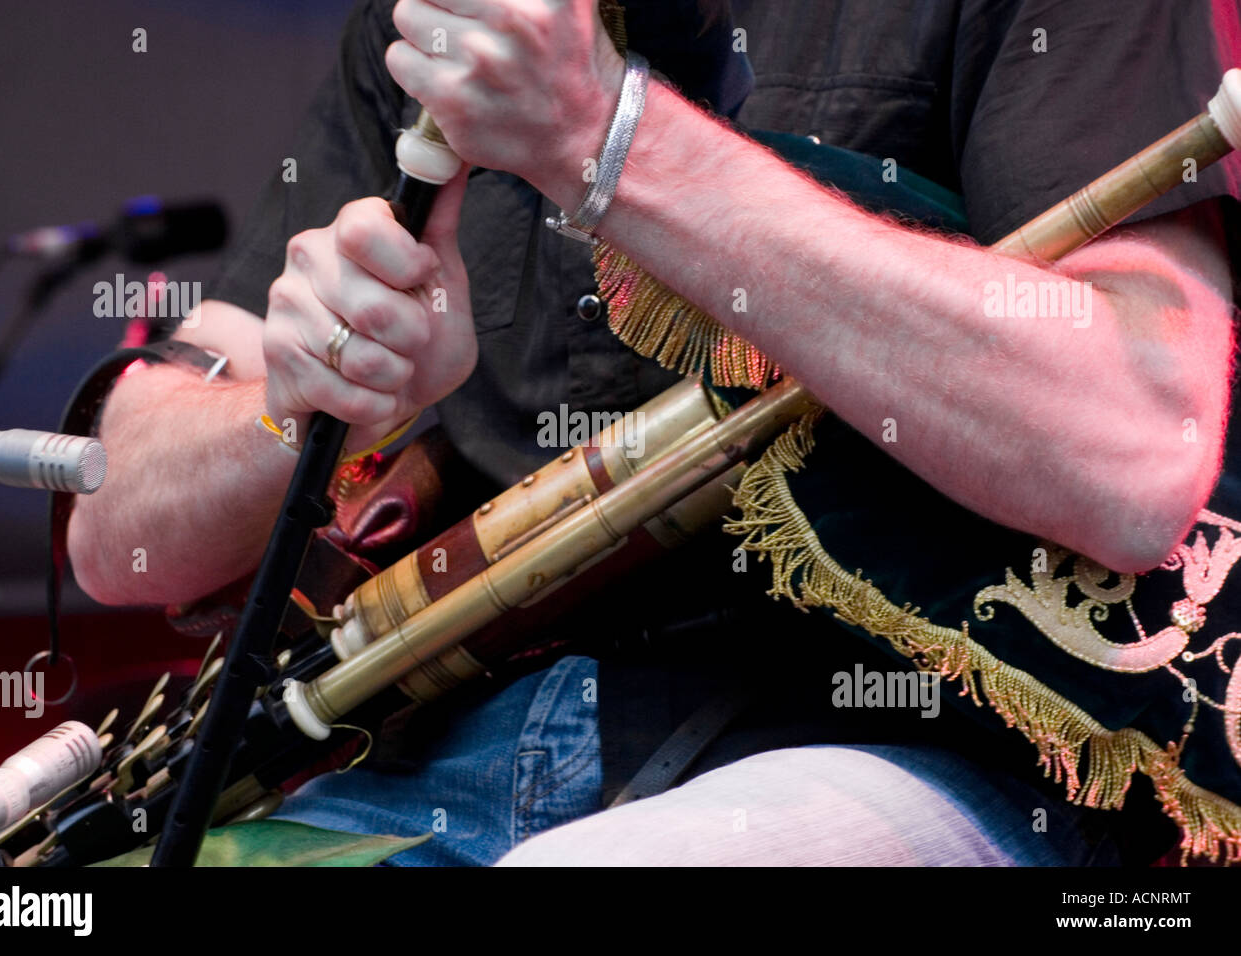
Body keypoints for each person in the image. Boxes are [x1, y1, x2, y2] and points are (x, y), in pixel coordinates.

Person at [67, 0, 1240, 865]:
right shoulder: (429, 23)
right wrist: (314, 396)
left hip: (900, 747)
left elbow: (1139, 448)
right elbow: (117, 532)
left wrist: (606, 139)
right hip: (424, 761)